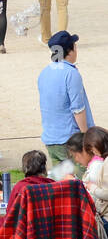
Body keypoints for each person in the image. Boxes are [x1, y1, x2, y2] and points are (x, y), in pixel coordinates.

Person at [38, 31, 93, 164]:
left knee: (61, 184)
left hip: (51, 140)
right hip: (71, 141)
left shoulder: (44, 73)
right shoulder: (71, 73)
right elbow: (78, 109)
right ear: (70, 50)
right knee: (82, 182)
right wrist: (87, 137)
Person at [70, 126, 108, 220]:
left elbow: (105, 193)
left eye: (91, 148)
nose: (92, 152)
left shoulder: (98, 165)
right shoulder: (101, 163)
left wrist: (92, 187)